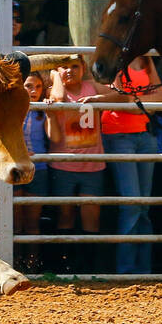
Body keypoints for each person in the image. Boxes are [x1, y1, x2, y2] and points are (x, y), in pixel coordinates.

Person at [47, 57, 112, 273]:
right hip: (63, 163)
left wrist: (98, 98)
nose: (69, 71)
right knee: (65, 214)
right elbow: (57, 97)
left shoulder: (91, 86)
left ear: (84, 68)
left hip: (93, 164)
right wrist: (56, 76)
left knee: (91, 216)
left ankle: (88, 269)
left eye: (75, 66)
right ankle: (64, 267)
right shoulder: (54, 90)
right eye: (64, 66)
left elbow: (123, 96)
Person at [102, 55, 162, 275]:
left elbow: (160, 97)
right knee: (132, 203)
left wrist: (133, 102)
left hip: (144, 135)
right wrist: (142, 102)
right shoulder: (116, 59)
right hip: (119, 135)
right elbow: (118, 99)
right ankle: (126, 269)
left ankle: (142, 269)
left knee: (143, 206)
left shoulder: (147, 60)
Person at [14, 72, 51, 272]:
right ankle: (16, 263)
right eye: (29, 86)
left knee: (32, 222)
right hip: (17, 166)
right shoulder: (12, 109)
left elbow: (52, 136)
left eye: (38, 87)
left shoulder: (43, 111)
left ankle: (33, 265)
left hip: (39, 167)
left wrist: (51, 112)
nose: (33, 91)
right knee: (16, 221)